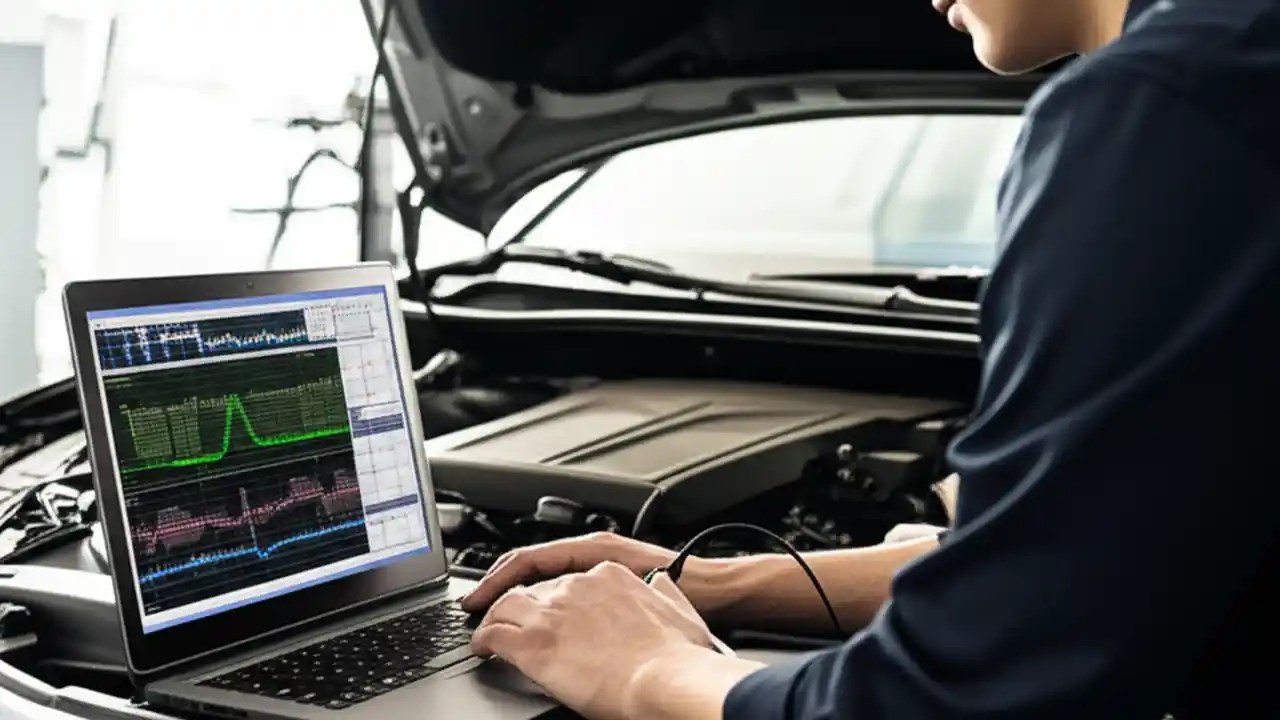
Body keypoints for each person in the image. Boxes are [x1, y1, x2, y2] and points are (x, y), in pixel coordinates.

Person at [461, 0, 1280, 717]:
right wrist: (711, 582)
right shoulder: (1234, 60)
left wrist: (644, 668)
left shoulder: (1174, 108)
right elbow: (1104, 563)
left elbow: (969, 694)